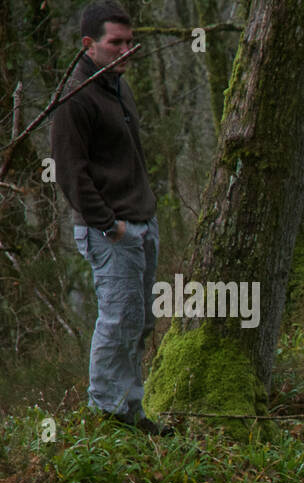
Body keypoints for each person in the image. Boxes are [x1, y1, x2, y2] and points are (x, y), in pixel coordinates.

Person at [51, 1, 171, 435]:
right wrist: (110, 224)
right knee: (118, 319)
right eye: (115, 43)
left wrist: (143, 215)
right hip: (110, 230)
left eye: (129, 42)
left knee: (139, 322)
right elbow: (70, 172)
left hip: (141, 221)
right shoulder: (75, 98)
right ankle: (107, 414)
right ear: (89, 44)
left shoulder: (117, 84)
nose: (126, 50)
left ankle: (132, 412)